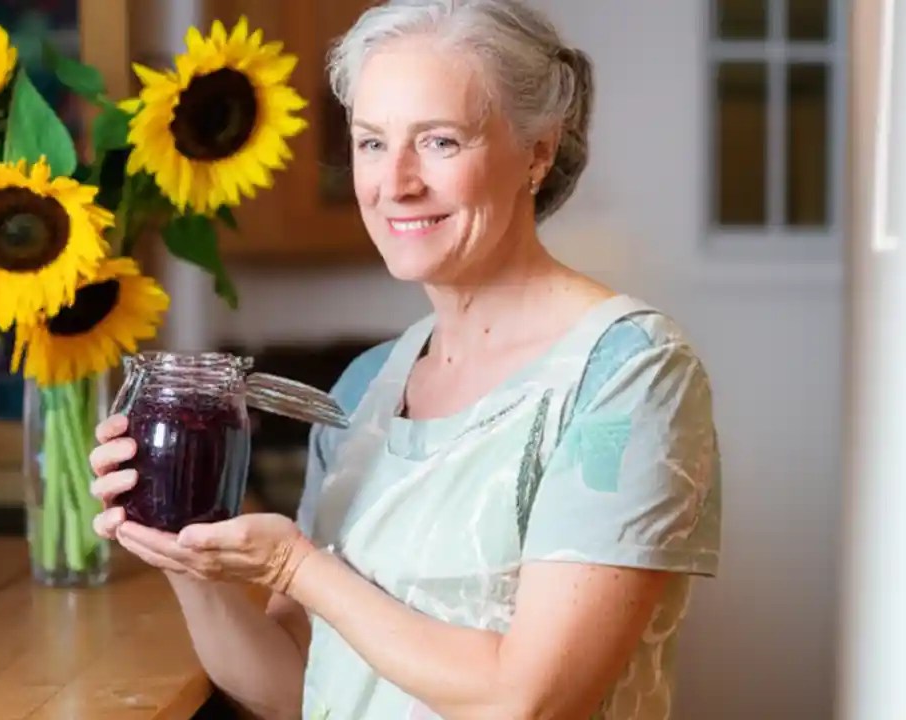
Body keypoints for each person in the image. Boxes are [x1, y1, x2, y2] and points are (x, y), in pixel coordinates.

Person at [89, 1, 721, 717]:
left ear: (538, 152)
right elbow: (294, 689)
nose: (396, 182)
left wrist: (296, 565)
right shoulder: (364, 387)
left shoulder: (629, 374)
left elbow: (531, 700)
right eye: (372, 142)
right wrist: (181, 549)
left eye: (440, 141)